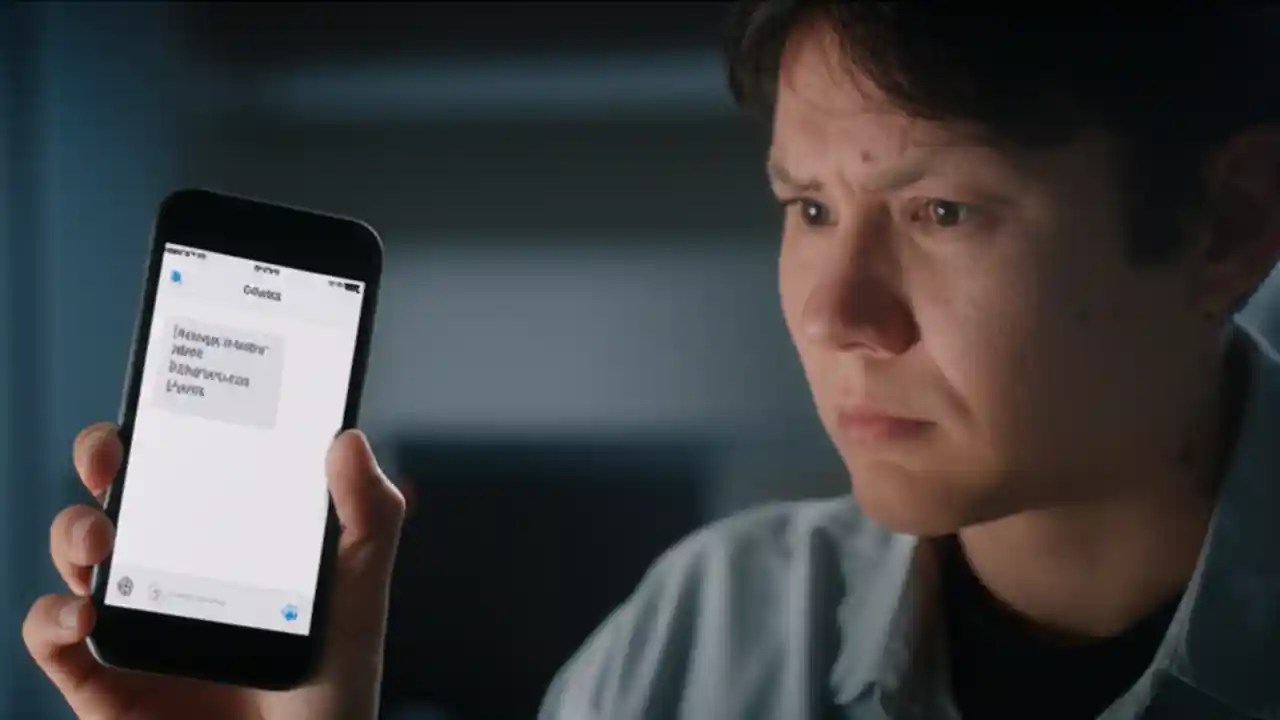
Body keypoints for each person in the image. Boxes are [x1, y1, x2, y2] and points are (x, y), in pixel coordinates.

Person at [23, 2, 1280, 718]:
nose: (835, 312)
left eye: (941, 211)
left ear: (1221, 229)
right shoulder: (704, 634)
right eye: (807, 209)